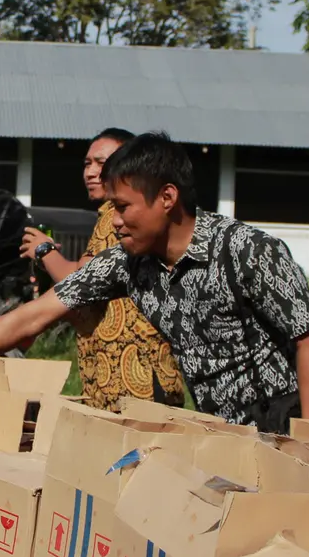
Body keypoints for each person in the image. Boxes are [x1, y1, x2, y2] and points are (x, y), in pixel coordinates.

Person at [0, 131, 309, 433]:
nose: (116, 220)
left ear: (167, 198)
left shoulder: (247, 250)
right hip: (220, 433)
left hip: (284, 427)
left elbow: (307, 339)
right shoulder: (128, 263)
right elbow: (33, 315)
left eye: (123, 207)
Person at [20, 128, 185, 412]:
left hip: (135, 381)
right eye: (87, 163)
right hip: (117, 377)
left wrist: (45, 251)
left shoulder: (115, 217)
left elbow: (78, 281)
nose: (91, 172)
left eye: (102, 163)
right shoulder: (112, 216)